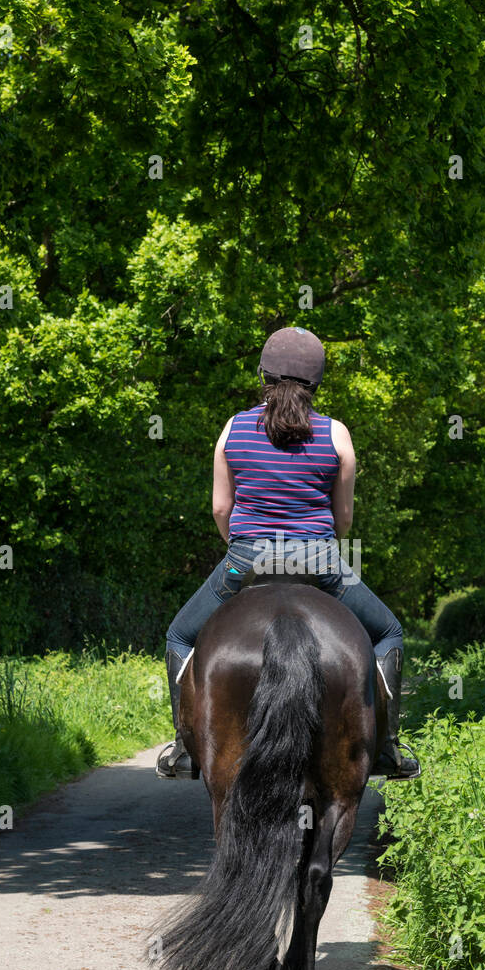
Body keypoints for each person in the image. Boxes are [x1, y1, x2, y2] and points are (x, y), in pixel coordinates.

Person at [156, 325, 421, 781]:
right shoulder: (336, 434)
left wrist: (242, 548)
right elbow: (344, 520)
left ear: (264, 374)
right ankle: (388, 749)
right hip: (318, 560)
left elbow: (222, 507)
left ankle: (183, 746)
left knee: (180, 635)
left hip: (247, 559)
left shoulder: (233, 429)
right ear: (317, 382)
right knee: (390, 631)